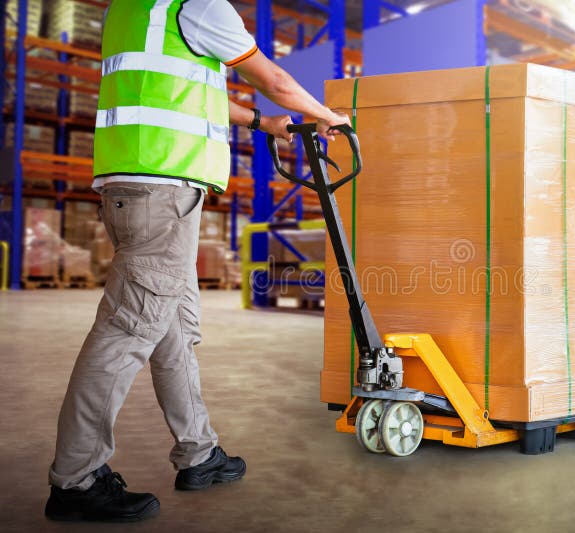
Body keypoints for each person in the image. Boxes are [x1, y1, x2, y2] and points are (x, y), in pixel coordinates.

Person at [45, 0, 350, 522]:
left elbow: (187, 97)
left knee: (175, 330)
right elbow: (273, 77)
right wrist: (327, 117)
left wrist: (262, 123)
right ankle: (76, 480)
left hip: (144, 187)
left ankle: (199, 454)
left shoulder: (137, 11)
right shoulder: (199, 5)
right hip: (160, 192)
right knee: (127, 330)